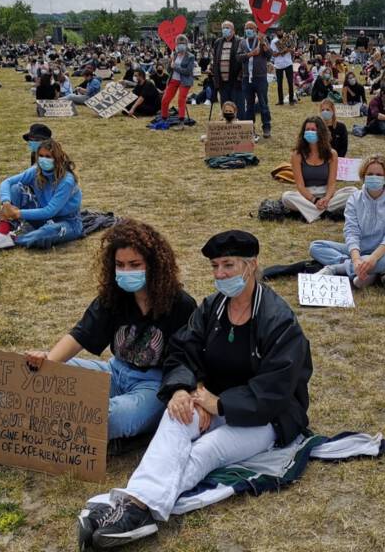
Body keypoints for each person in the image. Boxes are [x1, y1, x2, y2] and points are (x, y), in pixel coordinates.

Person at [77, 230, 312, 549]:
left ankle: (131, 508)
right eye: (215, 266)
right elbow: (182, 350)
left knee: (205, 450)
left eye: (228, 265)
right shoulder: (213, 307)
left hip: (264, 417)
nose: (220, 274)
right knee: (175, 418)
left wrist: (220, 404)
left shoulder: (278, 320)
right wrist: (185, 390)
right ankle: (134, 508)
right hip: (210, 400)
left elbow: (276, 389)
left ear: (251, 265)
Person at [25, 219, 197, 441]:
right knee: (42, 372)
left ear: (154, 265)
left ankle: (66, 421)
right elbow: (79, 336)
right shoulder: (113, 297)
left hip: (155, 385)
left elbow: (187, 360)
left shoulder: (181, 305)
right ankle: (71, 417)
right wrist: (47, 364)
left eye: (135, 265)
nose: (126, 271)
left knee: (108, 417)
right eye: (120, 265)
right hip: (115, 372)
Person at [309, 154, 385, 288]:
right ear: (363, 175)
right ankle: (362, 270)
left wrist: (373, 258)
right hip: (358, 250)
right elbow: (351, 231)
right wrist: (355, 259)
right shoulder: (354, 199)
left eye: (379, 174)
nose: (374, 177)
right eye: (370, 173)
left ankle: (336, 269)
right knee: (316, 246)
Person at [0, 133, 83, 253]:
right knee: (15, 189)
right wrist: (6, 202)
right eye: (41, 156)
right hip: (42, 217)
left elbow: (50, 211)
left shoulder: (66, 181)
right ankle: (3, 232)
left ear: (57, 158)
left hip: (67, 222)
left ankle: (13, 239)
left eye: (48, 156)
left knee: (45, 234)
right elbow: (7, 182)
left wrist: (17, 213)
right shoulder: (36, 171)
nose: (44, 160)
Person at [281, 117, 353, 223]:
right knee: (286, 197)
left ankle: (313, 212)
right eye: (307, 130)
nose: (310, 132)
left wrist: (327, 198)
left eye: (313, 130)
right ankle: (324, 211)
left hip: (326, 194)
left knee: (353, 192)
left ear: (321, 132)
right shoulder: (297, 155)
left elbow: (332, 183)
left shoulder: (332, 154)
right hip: (307, 196)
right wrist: (314, 200)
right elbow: (300, 185)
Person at [238, 21, 272, 138]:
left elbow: (269, 55)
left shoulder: (262, 40)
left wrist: (263, 44)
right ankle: (250, 129)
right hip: (247, 78)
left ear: (256, 29)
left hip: (260, 77)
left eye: (251, 28)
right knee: (250, 105)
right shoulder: (242, 42)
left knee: (263, 103)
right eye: (246, 28)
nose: (248, 30)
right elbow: (238, 57)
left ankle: (266, 127)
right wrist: (250, 54)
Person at [159, 35, 196, 129]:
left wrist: (175, 66)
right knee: (165, 99)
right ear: (176, 44)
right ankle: (164, 118)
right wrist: (170, 61)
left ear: (186, 44)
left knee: (181, 100)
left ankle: (181, 121)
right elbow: (168, 70)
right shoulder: (174, 55)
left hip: (185, 81)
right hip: (173, 80)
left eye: (183, 43)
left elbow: (188, 71)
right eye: (179, 43)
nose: (181, 45)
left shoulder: (191, 56)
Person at [272, 29, 296, 106]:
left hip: (288, 63)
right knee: (279, 83)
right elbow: (274, 54)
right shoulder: (274, 41)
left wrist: (290, 50)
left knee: (290, 82)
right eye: (279, 31)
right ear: (276, 32)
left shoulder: (287, 39)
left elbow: (292, 50)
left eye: (281, 31)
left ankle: (291, 100)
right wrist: (282, 51)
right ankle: (280, 100)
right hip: (279, 65)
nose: (280, 32)